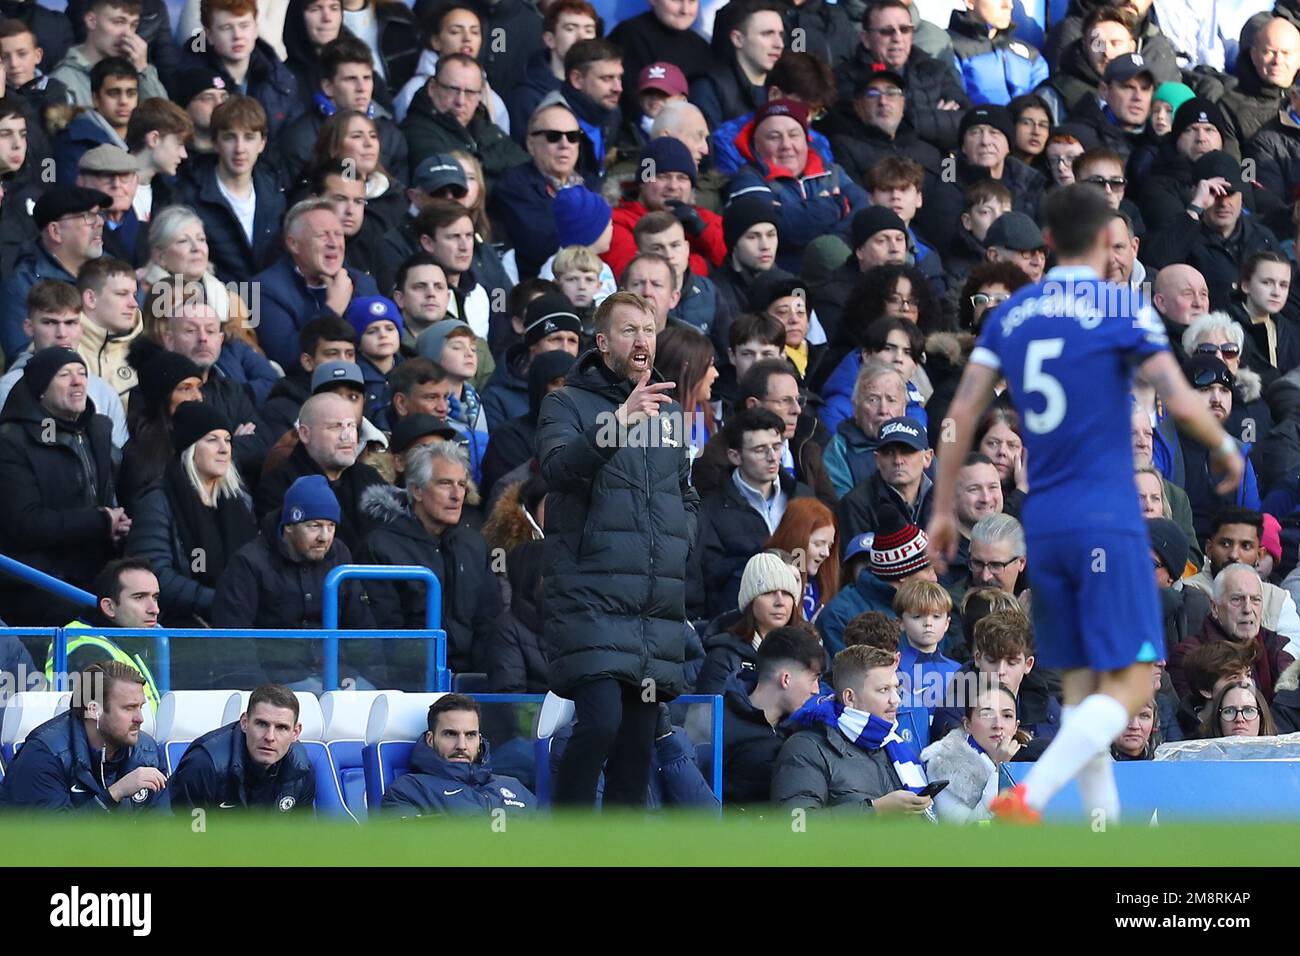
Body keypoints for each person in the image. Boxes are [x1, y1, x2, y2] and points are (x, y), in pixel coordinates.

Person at [929, 182, 1246, 824]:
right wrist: (1224, 445)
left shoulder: (1014, 314)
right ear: (1108, 239)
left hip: (1042, 521)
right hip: (1104, 513)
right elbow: (1180, 398)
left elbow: (960, 414)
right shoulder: (1118, 307)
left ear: (1045, 243)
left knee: (1080, 692)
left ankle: (1104, 844)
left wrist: (940, 506)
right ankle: (1032, 795)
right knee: (1130, 681)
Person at [536, 290, 699, 808]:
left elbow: (687, 493)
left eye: (649, 330)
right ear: (603, 343)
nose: (642, 341)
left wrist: (681, 537)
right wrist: (619, 422)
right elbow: (558, 470)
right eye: (629, 331)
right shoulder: (564, 402)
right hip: (591, 598)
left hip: (653, 606)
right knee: (601, 721)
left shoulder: (669, 415)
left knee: (636, 746)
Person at [359, 441, 502, 681]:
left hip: (470, 681)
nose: (457, 495)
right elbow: (383, 634)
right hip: (406, 681)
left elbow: (490, 622)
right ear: (416, 490)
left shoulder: (474, 545)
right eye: (445, 484)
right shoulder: (381, 546)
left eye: (462, 484)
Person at [214, 474, 376, 687]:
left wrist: (375, 678)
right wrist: (264, 696)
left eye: (331, 526)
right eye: (314, 525)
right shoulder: (249, 563)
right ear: (289, 525)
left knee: (374, 699)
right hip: (277, 682)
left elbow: (361, 625)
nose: (325, 536)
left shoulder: (340, 554)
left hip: (338, 675)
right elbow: (234, 643)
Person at [0, 348, 123, 625]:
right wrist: (102, 520)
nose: (78, 381)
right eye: (64, 375)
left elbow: (110, 494)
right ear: (41, 389)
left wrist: (119, 525)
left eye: (82, 373)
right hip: (39, 584)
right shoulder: (11, 442)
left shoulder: (99, 430)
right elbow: (25, 523)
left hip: (96, 574)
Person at [125, 401, 257, 627]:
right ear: (191, 448)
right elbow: (154, 575)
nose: (224, 449)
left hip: (240, 620)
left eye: (227, 440)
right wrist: (218, 600)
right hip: (183, 625)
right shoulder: (158, 500)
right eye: (212, 440)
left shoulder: (241, 499)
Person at [772, 643, 934, 814]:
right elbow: (797, 826)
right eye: (883, 690)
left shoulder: (890, 742)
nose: (895, 700)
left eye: (896, 688)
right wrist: (875, 811)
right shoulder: (805, 748)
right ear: (850, 697)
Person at [691, 407, 812, 619]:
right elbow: (708, 578)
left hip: (802, 617)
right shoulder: (711, 511)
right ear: (735, 456)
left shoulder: (803, 498)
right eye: (759, 450)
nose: (773, 457)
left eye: (777, 446)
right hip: (740, 625)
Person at [0, 660, 166, 811]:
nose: (140, 718)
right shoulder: (44, 754)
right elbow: (51, 839)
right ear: (94, 710)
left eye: (141, 707)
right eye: (129, 708)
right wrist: (116, 793)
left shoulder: (147, 751)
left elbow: (165, 830)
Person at [727, 99, 870, 271]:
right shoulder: (747, 179)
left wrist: (831, 241)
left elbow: (865, 211)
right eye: (774, 137)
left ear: (806, 139)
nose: (786, 145)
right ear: (756, 145)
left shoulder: (832, 171)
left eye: (794, 135)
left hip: (841, 272)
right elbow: (777, 228)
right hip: (784, 283)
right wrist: (837, 206)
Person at [0, 281, 128, 453]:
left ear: (81, 328)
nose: (62, 334)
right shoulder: (7, 388)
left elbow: (117, 461)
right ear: (29, 327)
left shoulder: (104, 392)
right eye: (50, 322)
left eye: (70, 323)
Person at [1142, 150, 1278, 311]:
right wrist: (1195, 208)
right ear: (1196, 192)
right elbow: (1155, 265)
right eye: (1214, 192)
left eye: (1230, 193)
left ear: (1242, 195)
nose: (1223, 202)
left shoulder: (1263, 237)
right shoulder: (1180, 230)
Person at [252, 198, 380, 369]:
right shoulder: (259, 289)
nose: (334, 244)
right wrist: (332, 309)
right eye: (323, 235)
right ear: (293, 244)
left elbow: (384, 347)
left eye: (338, 234)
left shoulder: (364, 284)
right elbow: (288, 358)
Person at [254, 390, 387, 553]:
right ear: (304, 434)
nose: (347, 436)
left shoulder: (370, 479)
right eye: (335, 426)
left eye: (351, 426)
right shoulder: (278, 486)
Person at [273, 34, 409, 187]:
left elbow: (399, 199)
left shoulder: (391, 136)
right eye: (351, 79)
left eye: (367, 78)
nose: (361, 88)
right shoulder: (300, 140)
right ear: (328, 87)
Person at [179, 95, 287, 285]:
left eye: (249, 137)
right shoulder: (189, 195)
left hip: (269, 301)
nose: (240, 149)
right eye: (230, 137)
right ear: (215, 142)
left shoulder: (275, 193)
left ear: (262, 143)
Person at [837, 0, 970, 152]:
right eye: (887, 31)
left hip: (936, 167)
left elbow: (968, 122)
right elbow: (867, 131)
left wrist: (903, 119)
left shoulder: (935, 69)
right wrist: (934, 117)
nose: (897, 38)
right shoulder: (847, 77)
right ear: (866, 39)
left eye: (905, 29)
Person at [168, 683, 316, 812]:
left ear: (295, 733)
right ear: (244, 722)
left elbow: (302, 839)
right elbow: (189, 835)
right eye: (261, 724)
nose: (270, 737)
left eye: (281, 727)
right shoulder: (203, 764)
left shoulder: (300, 769)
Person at [380, 693, 535, 816]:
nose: (461, 745)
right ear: (430, 739)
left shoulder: (514, 787)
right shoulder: (409, 791)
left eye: (470, 735)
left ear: (479, 739)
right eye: (450, 734)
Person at [0, 186, 108, 361]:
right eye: (89, 216)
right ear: (55, 231)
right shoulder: (21, 284)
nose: (100, 222)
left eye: (99, 214)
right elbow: (22, 357)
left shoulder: (113, 271)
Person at [721, 624, 824, 806]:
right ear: (786, 679)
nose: (817, 690)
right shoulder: (719, 724)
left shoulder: (807, 726)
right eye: (813, 679)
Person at [818, 504, 937, 653]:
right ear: (903, 574)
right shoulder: (838, 615)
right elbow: (843, 673)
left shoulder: (932, 606)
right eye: (929, 570)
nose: (935, 579)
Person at [1170, 563, 1295, 703]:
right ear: (1214, 607)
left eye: (1255, 600)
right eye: (1236, 599)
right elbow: (1193, 717)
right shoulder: (1189, 656)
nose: (1247, 609)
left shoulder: (1273, 646)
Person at [400, 53, 526, 188]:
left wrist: (478, 164)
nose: (460, 101)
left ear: (480, 95)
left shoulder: (485, 126)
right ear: (432, 88)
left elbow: (525, 166)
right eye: (453, 89)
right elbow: (449, 181)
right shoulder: (416, 129)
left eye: (470, 92)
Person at [179, 0, 302, 137]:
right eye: (226, 28)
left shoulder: (280, 78)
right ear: (209, 35)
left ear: (255, 29)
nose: (237, 36)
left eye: (244, 26)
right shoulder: (189, 80)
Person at [695, 550, 804, 695]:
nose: (780, 602)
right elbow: (708, 715)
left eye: (786, 593)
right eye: (768, 592)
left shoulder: (808, 649)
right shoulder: (723, 658)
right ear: (750, 603)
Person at [921, 681, 1024, 823]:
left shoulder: (1030, 759)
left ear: (1015, 726)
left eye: (1007, 716)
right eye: (987, 714)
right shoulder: (942, 763)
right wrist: (1000, 770)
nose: (998, 725)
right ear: (967, 724)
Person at [505, 0, 599, 141]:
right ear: (550, 40)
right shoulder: (527, 97)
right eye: (570, 28)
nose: (581, 37)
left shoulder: (603, 90)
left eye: (588, 30)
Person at [836, 414, 934, 543]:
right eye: (889, 453)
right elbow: (857, 561)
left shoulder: (943, 500)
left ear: (927, 458)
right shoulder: (855, 505)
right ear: (877, 460)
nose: (898, 461)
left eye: (906, 451)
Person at [50, 0, 167, 108]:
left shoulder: (138, 71)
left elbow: (166, 123)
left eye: (133, 25)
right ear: (91, 21)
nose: (128, 34)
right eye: (118, 22)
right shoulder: (63, 81)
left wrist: (143, 71)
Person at [691, 0, 785, 129]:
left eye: (781, 34)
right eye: (767, 34)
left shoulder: (784, 88)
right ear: (738, 39)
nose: (779, 44)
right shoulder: (709, 88)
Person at [821, 363, 908, 498]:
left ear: (904, 409)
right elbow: (845, 509)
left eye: (891, 400)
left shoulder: (917, 443)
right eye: (873, 400)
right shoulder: (840, 450)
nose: (883, 410)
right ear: (856, 409)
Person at [947, 0, 1048, 106]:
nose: (1009, 5)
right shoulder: (945, 48)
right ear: (970, 2)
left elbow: (1042, 110)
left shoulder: (1031, 55)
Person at [766, 497, 841, 624]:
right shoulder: (767, 576)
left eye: (829, 546)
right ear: (795, 538)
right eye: (818, 544)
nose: (826, 553)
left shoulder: (823, 581)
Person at [1198, 679, 1277, 738]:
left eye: (1249, 710)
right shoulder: (1200, 757)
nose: (1239, 719)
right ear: (1218, 718)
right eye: (1229, 711)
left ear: (1262, 717)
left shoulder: (1281, 756)